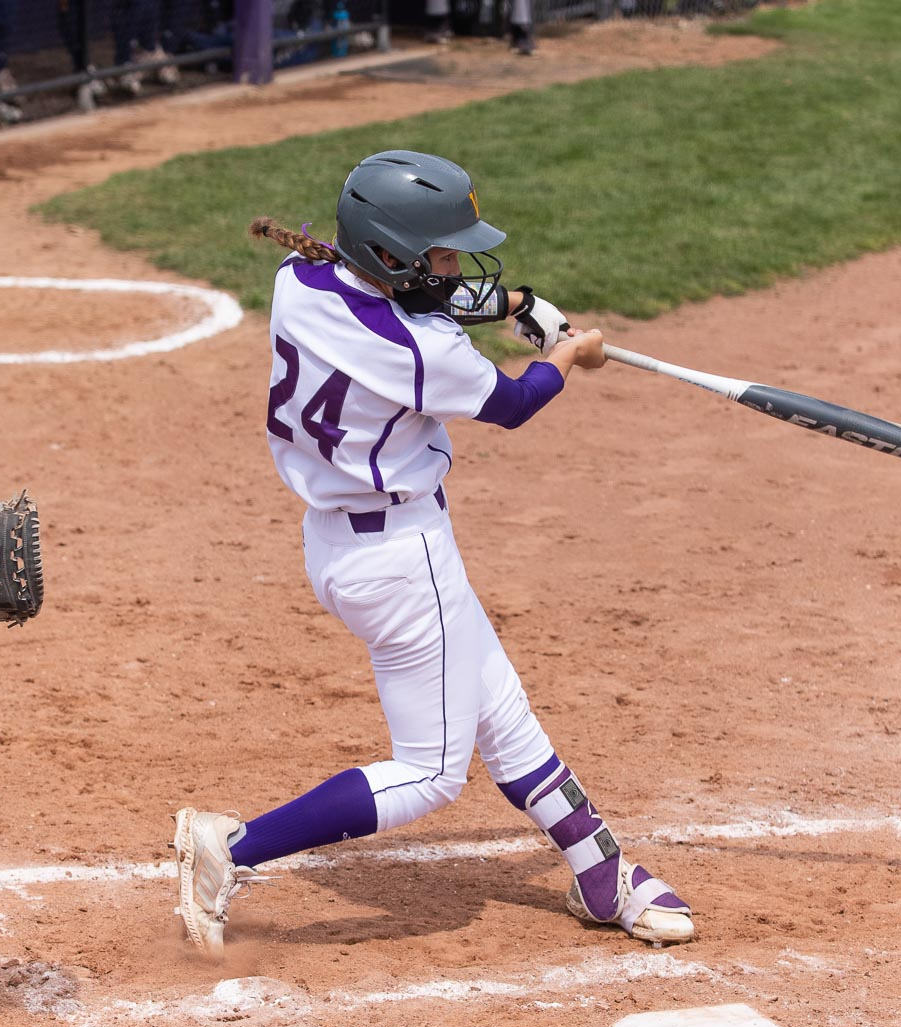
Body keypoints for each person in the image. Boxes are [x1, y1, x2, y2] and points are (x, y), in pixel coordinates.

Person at [171, 151, 696, 961]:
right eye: (442, 252)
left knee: (500, 709)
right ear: (392, 256)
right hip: (401, 560)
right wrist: (567, 354)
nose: (454, 264)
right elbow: (516, 402)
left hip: (345, 544)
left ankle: (601, 873)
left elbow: (426, 302)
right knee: (431, 774)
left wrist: (519, 304)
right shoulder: (425, 353)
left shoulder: (299, 280)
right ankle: (229, 848)